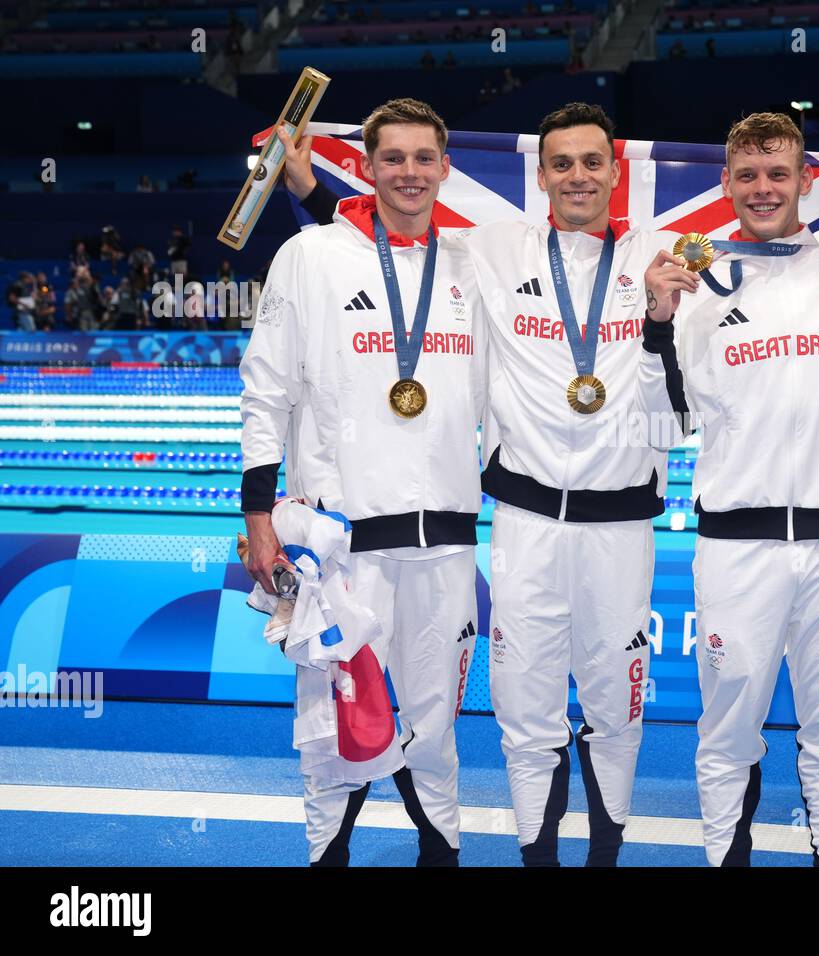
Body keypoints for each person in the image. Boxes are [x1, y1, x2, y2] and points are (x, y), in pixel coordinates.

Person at [280, 103, 672, 867]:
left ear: (617, 174)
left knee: (615, 708)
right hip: (523, 522)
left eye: (593, 162)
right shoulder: (491, 251)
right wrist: (312, 194)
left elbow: (781, 246)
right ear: (540, 176)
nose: (578, 177)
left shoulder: (660, 254)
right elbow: (395, 237)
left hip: (624, 524)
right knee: (526, 715)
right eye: (561, 163)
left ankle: (604, 856)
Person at [241, 98, 487, 867]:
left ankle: (439, 851)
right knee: (337, 717)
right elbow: (266, 390)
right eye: (393, 158)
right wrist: (258, 517)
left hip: (444, 544)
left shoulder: (477, 265)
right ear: (368, 167)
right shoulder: (310, 258)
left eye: (424, 158)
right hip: (345, 549)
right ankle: (327, 856)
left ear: (446, 167)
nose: (410, 173)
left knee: (436, 721)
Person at [639, 112, 819, 866]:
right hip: (736, 545)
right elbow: (661, 425)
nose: (763, 187)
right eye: (747, 174)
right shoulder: (695, 285)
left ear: (806, 181)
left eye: (778, 173)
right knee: (726, 731)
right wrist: (655, 323)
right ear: (726, 184)